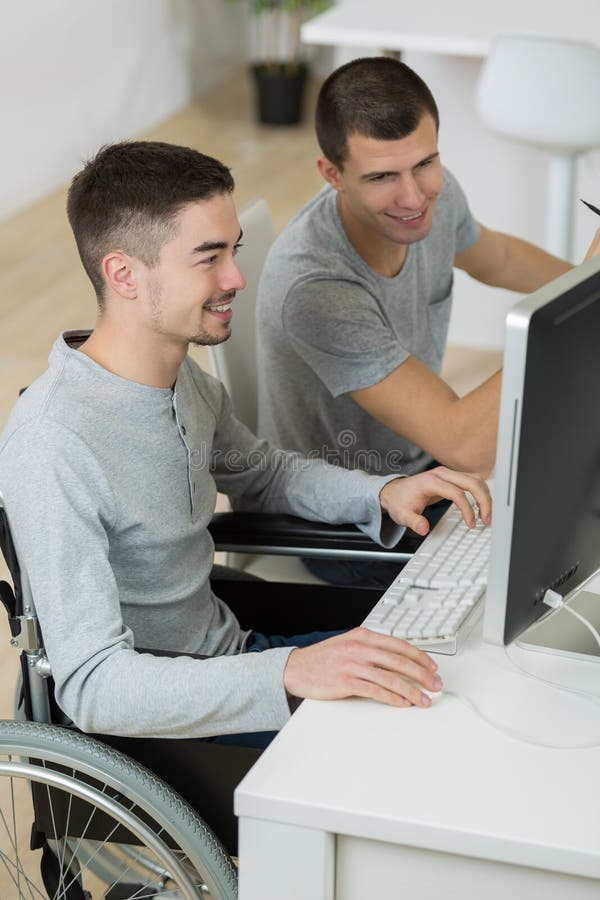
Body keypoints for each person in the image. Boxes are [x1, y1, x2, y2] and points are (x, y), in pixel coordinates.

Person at [0, 141, 491, 747]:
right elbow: (95, 685)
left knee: (463, 668)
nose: (236, 277)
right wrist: (289, 670)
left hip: (234, 660)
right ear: (123, 273)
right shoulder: (52, 445)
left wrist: (384, 491)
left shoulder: (179, 378)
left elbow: (263, 474)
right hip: (175, 725)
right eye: (207, 259)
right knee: (440, 729)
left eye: (233, 250)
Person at [255, 55, 595, 587]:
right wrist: (586, 306)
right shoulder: (316, 288)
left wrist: (583, 287)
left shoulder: (426, 197)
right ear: (331, 173)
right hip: (355, 519)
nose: (413, 196)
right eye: (382, 177)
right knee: (554, 567)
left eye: (424, 163)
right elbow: (465, 446)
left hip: (426, 472)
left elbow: (497, 257)